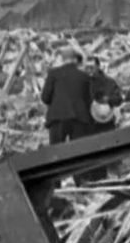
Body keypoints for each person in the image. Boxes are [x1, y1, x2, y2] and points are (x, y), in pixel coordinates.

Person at [40, 47, 98, 183]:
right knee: (78, 152)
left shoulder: (54, 74)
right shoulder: (84, 77)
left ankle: (55, 183)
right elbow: (89, 101)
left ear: (62, 59)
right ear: (74, 60)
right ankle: (81, 181)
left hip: (58, 117)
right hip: (79, 117)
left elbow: (45, 98)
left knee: (55, 152)